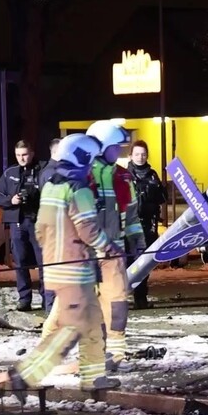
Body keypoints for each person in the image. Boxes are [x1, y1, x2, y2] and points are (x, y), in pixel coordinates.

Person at [7, 133, 124, 397]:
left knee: (92, 321)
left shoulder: (51, 186)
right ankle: (26, 373)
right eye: (90, 158)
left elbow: (40, 229)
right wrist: (110, 248)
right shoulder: (77, 188)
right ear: (81, 157)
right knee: (71, 329)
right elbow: (88, 229)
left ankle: (93, 378)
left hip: (58, 268)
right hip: (76, 270)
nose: (92, 164)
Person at [85, 120, 145, 373]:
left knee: (118, 302)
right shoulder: (80, 176)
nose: (120, 152)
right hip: (83, 257)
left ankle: (115, 353)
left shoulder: (123, 177)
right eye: (115, 147)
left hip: (113, 255)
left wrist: (138, 243)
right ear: (100, 147)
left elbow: (131, 216)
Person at [0, 140, 49, 311]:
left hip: (38, 223)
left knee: (43, 263)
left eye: (24, 154)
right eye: (18, 155)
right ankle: (24, 299)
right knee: (20, 262)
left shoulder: (43, 169)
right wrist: (11, 200)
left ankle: (47, 298)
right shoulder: (10, 172)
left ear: (32, 153)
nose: (21, 158)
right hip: (17, 222)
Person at [127, 140, 166, 309]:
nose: (140, 157)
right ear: (131, 156)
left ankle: (140, 298)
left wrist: (156, 191)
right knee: (128, 262)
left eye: (143, 154)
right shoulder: (124, 175)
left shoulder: (152, 175)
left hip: (148, 225)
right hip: (128, 226)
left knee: (144, 263)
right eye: (137, 154)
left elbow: (162, 198)